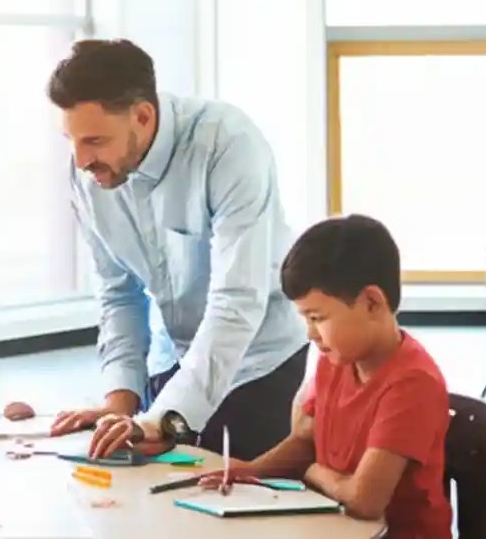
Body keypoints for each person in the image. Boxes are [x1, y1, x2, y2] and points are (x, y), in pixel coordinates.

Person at [46, 39, 310, 461]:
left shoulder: (228, 144)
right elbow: (118, 294)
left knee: (240, 509)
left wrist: (166, 418)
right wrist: (120, 406)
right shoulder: (88, 176)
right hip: (175, 353)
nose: (80, 161)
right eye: (71, 140)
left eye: (94, 140)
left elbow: (237, 302)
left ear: (143, 116)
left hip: (258, 361)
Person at [201, 215, 452, 536]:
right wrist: (250, 471)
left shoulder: (412, 383)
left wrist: (315, 473)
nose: (310, 334)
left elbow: (364, 501)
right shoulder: (337, 358)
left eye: (317, 317)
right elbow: (306, 440)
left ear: (372, 302)